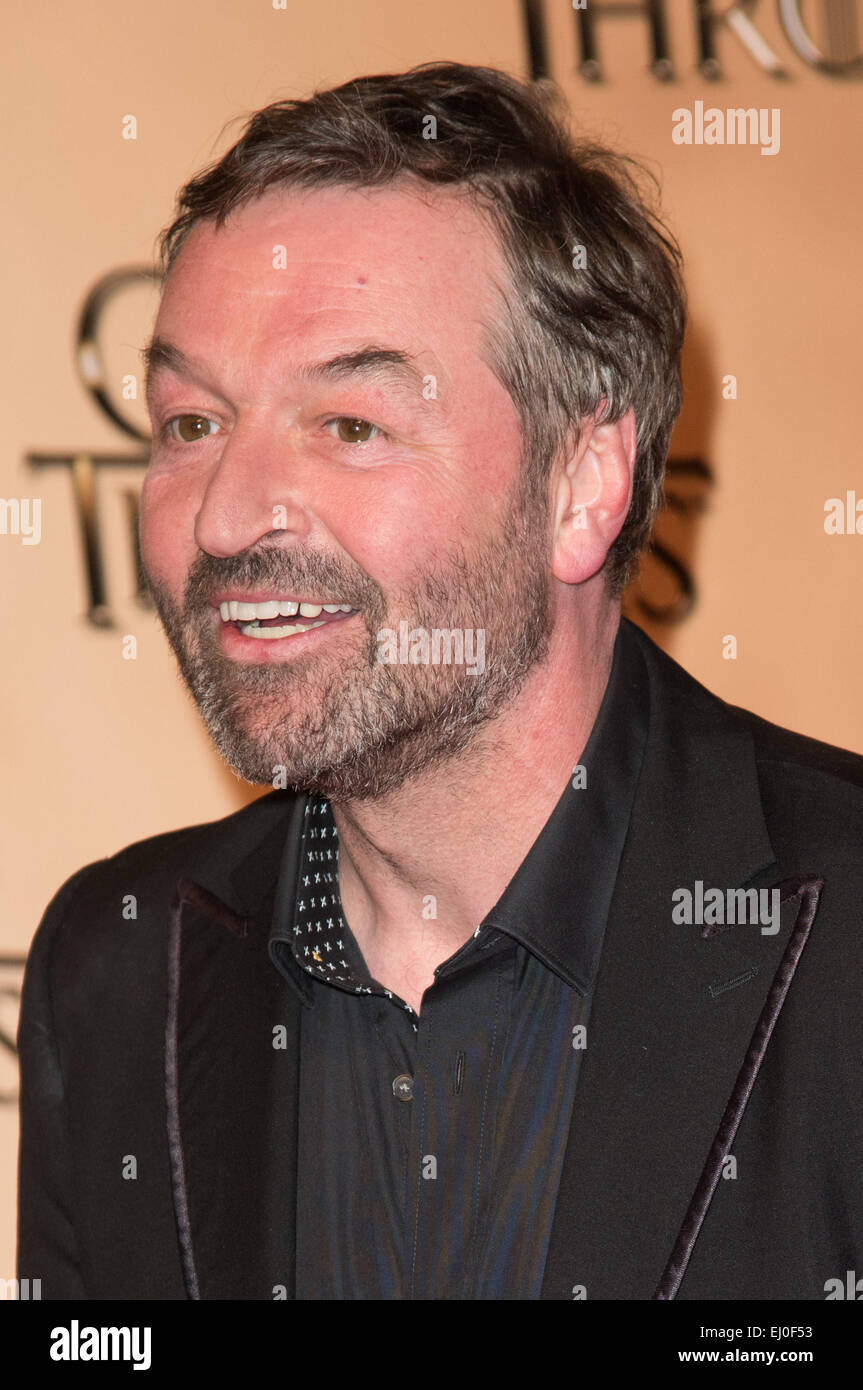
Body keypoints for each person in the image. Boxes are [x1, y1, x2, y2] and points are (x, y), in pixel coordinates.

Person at [17, 60, 863, 1301]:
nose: (225, 517)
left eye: (349, 426)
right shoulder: (117, 972)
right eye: (191, 424)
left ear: (583, 484)